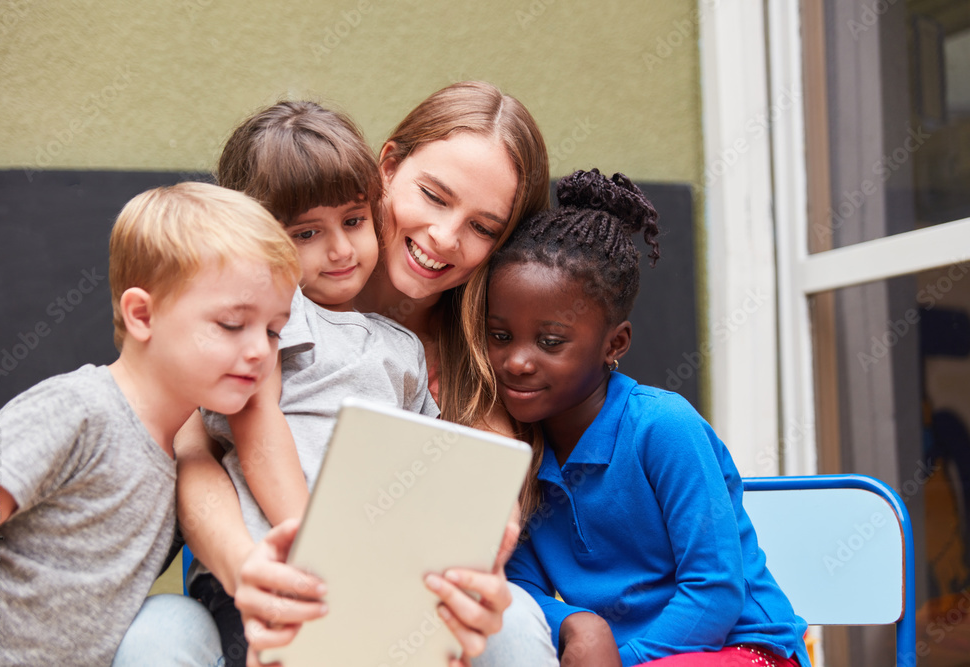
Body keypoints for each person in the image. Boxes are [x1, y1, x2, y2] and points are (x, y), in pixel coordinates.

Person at [172, 81, 559, 667]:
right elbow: (204, 447)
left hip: (392, 598)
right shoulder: (266, 313)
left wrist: (460, 574)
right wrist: (305, 558)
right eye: (433, 195)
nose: (445, 237)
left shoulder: (438, 355)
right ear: (388, 167)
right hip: (269, 575)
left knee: (516, 619)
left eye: (484, 227)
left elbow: (474, 492)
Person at [489, 169, 811, 667]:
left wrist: (625, 658)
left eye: (550, 341)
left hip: (741, 648)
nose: (517, 361)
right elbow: (522, 587)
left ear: (614, 344)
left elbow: (715, 590)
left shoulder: (663, 427)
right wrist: (579, 624)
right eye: (500, 336)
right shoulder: (515, 448)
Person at [0, 182, 301, 666]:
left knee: (177, 619)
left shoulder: (185, 461)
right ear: (142, 315)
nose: (259, 350)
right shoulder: (74, 409)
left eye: (273, 330)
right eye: (232, 323)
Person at [186, 100, 440, 667]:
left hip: (369, 576)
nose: (342, 249)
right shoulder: (275, 311)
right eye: (307, 233)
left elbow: (426, 453)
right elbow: (259, 425)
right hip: (272, 564)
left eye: (354, 221)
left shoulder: (400, 347)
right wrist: (314, 541)